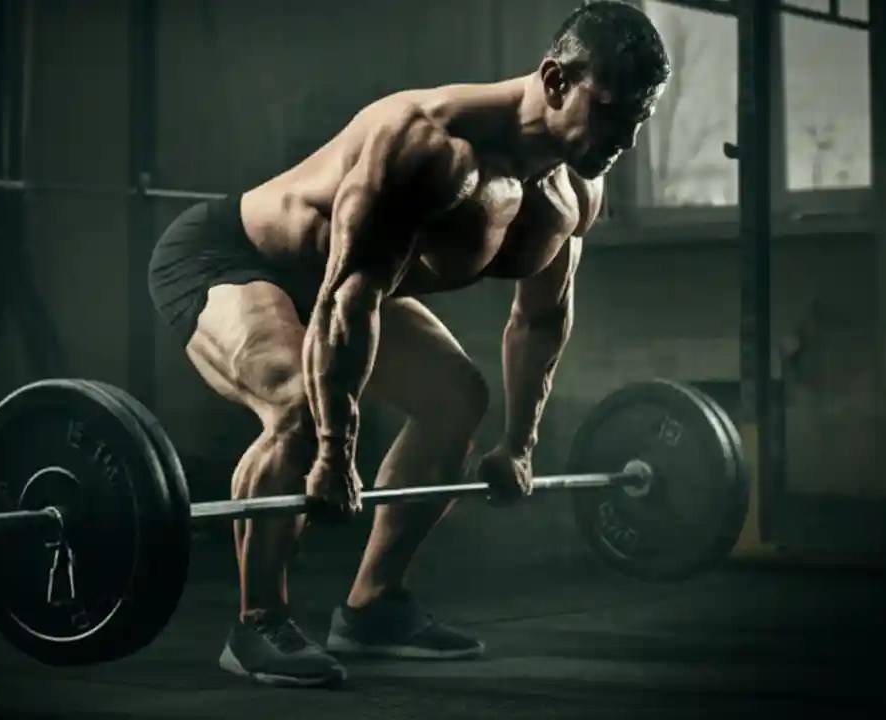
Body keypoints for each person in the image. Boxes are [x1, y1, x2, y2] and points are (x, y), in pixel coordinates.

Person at [147, 0, 670, 689]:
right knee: (300, 410)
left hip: (347, 285)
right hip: (234, 260)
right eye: (609, 112)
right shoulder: (427, 141)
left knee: (457, 398)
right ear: (555, 80)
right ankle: (257, 622)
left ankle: (371, 605)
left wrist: (518, 442)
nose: (623, 140)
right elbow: (347, 296)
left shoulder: (575, 190)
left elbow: (540, 319)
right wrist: (336, 451)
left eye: (637, 120)